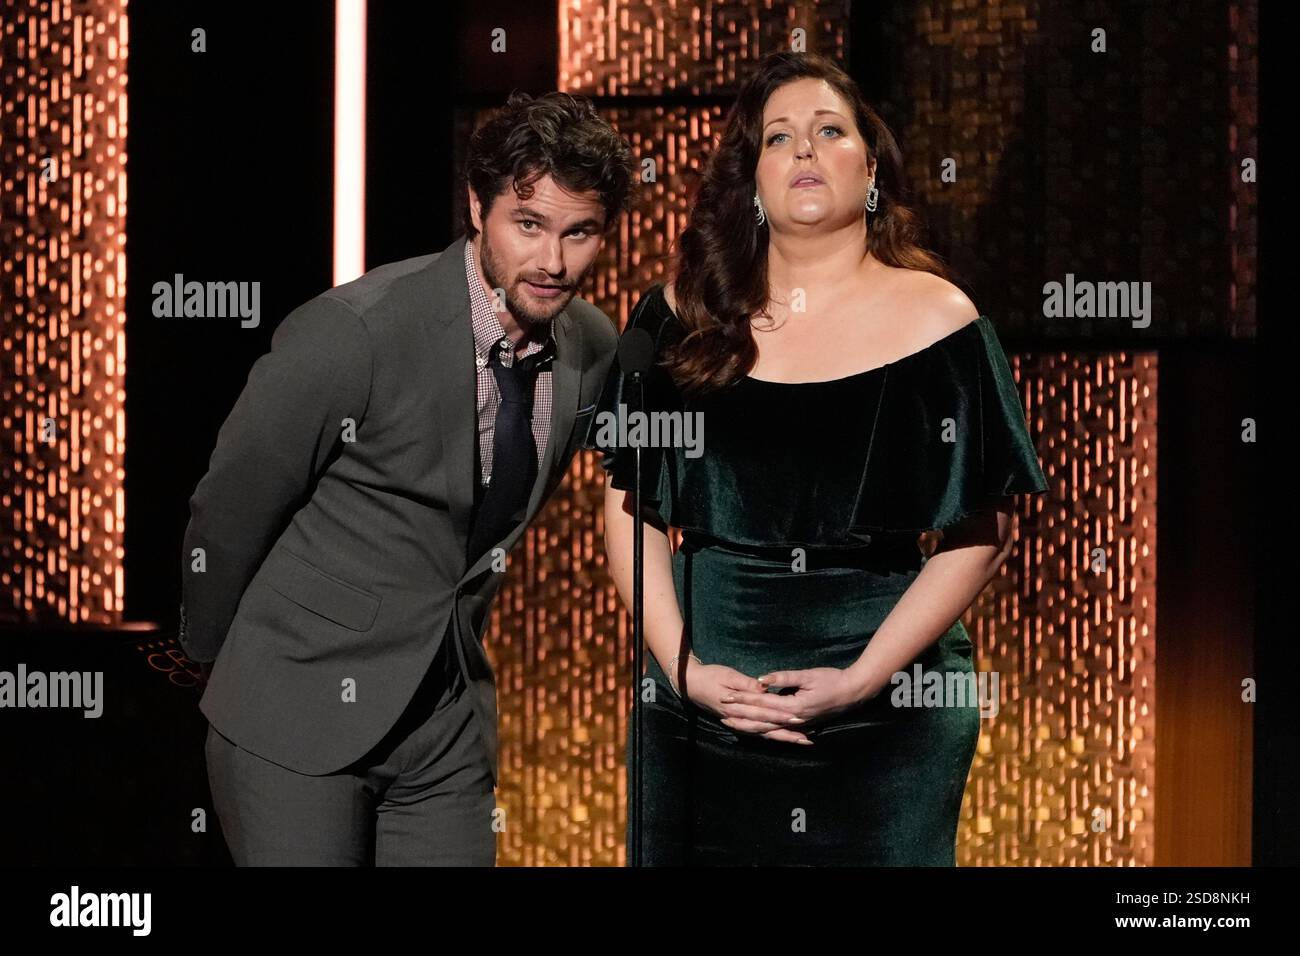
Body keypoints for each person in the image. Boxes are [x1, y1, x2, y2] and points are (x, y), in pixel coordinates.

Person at [592, 52, 1049, 865]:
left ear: (869, 169)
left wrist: (864, 680)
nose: (803, 150)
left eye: (828, 131)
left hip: (885, 722)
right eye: (779, 138)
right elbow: (630, 508)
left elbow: (985, 532)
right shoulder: (675, 314)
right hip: (693, 713)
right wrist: (683, 667)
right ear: (754, 180)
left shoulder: (941, 322)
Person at [179, 91, 635, 865]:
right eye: (529, 225)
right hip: (295, 713)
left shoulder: (591, 347)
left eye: (579, 232)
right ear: (476, 207)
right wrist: (215, 660)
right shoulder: (357, 330)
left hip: (446, 722)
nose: (554, 262)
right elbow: (232, 503)